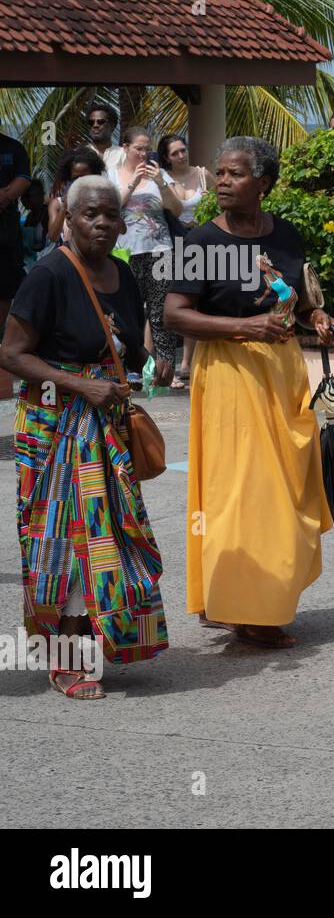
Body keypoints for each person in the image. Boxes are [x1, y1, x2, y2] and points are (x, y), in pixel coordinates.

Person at [163, 136, 334, 650]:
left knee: (287, 487)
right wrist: (245, 327)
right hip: (230, 374)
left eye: (234, 174)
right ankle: (244, 606)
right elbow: (175, 314)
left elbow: (301, 299)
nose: (222, 182)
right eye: (219, 173)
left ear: (263, 183)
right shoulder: (201, 242)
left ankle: (255, 594)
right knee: (242, 493)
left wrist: (318, 317)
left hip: (282, 373)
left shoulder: (286, 235)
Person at [0, 176, 168, 698]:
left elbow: (125, 344)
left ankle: (101, 636)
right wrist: (79, 384)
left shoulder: (120, 273)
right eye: (90, 214)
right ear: (68, 220)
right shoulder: (49, 273)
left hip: (105, 423)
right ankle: (65, 654)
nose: (101, 223)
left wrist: (148, 363)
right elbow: (10, 354)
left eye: (110, 215)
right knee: (68, 541)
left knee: (110, 537)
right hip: (56, 423)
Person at [110, 126, 183, 386]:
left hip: (160, 251)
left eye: (147, 148)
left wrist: (161, 183)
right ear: (125, 148)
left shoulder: (159, 174)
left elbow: (176, 208)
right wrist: (131, 184)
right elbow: (111, 206)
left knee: (161, 312)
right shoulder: (113, 175)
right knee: (129, 313)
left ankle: (166, 371)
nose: (143, 153)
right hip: (126, 251)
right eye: (138, 148)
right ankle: (133, 368)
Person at [159, 133, 214, 386]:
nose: (181, 155)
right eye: (175, 153)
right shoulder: (163, 179)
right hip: (174, 244)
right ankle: (160, 364)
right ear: (166, 158)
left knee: (197, 303)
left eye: (183, 150)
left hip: (204, 243)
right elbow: (170, 210)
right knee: (168, 302)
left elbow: (220, 204)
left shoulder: (203, 174)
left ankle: (187, 364)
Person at [0, 128, 32, 333]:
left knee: (4, 284)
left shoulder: (14, 147)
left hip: (5, 229)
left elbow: (24, 179)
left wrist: (4, 197)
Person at [47, 147, 106, 246]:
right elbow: (53, 236)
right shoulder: (58, 204)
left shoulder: (102, 199)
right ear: (69, 178)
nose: (80, 182)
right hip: (68, 258)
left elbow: (121, 229)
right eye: (75, 178)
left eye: (85, 177)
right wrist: (64, 208)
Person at [84, 103, 125, 170]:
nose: (95, 125)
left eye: (101, 122)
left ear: (112, 126)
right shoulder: (80, 154)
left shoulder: (123, 155)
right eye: (91, 122)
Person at [19, 180, 49, 268]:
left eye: (26, 196)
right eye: (22, 196)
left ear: (40, 195)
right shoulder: (30, 216)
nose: (22, 200)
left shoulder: (48, 214)